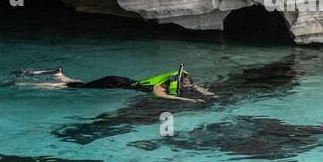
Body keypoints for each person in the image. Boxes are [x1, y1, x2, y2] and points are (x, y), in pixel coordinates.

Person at [20, 66, 214, 102]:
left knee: (84, 85)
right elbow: (158, 94)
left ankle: (58, 73)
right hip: (113, 83)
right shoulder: (162, 86)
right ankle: (33, 86)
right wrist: (185, 101)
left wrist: (209, 95)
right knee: (75, 89)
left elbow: (195, 87)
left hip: (118, 79)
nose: (188, 87)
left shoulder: (182, 79)